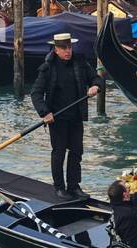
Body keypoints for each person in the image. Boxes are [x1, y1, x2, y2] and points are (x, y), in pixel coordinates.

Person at [30, 33, 101, 200]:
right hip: (57, 118)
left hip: (76, 116)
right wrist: (45, 112)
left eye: (69, 47)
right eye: (63, 48)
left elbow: (96, 78)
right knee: (59, 152)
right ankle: (59, 187)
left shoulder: (80, 62)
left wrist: (95, 86)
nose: (67, 51)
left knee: (76, 151)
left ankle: (74, 186)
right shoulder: (48, 67)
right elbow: (36, 93)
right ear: (56, 49)